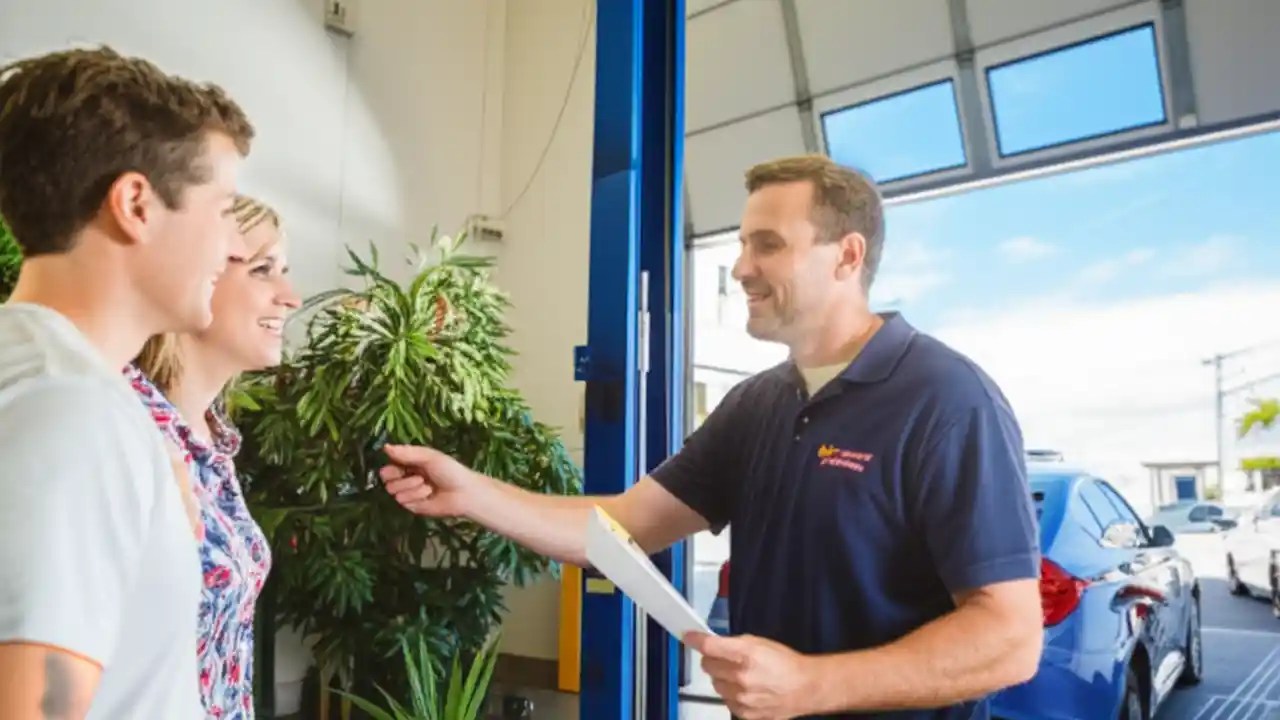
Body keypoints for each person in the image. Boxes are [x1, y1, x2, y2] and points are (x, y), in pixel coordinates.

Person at [379, 154, 1043, 719]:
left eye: (768, 245)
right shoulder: (757, 404)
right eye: (743, 244)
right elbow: (620, 527)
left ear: (847, 256)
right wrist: (472, 494)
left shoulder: (948, 401)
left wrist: (812, 685)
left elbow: (1010, 638)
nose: (741, 268)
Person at [0, 46, 253, 719]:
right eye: (223, 210)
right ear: (136, 203)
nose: (234, 247)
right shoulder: (74, 413)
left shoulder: (46, 383)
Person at [129, 194, 300, 718]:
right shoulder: (129, 426)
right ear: (197, 274)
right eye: (262, 269)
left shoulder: (212, 442)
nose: (290, 298)